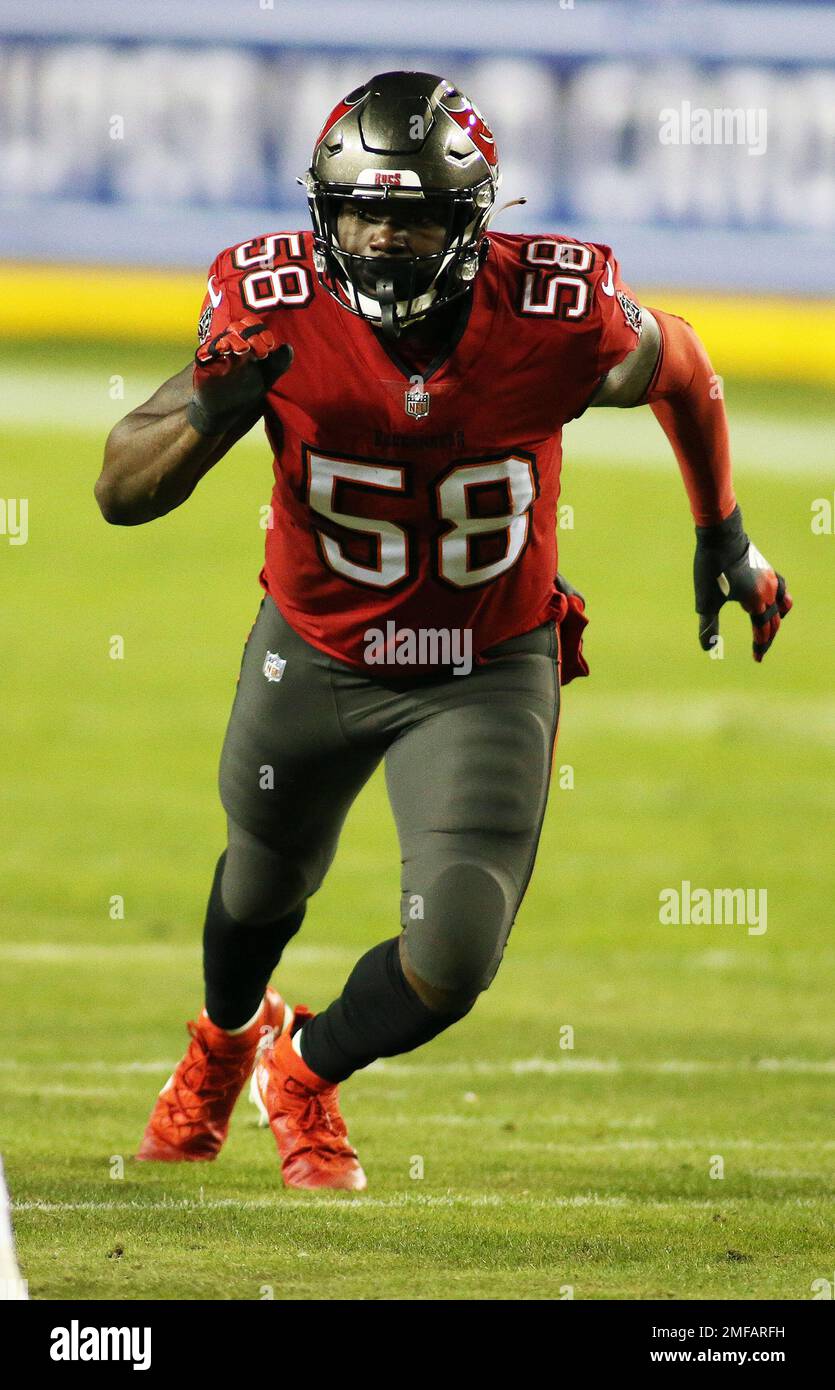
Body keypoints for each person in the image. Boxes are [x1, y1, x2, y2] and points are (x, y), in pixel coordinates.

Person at [95, 71, 791, 1190]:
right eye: (359, 210)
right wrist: (209, 414)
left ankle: (302, 1068)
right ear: (323, 212)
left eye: (409, 213)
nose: (377, 237)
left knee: (454, 955)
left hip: (482, 662)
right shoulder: (271, 303)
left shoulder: (556, 312)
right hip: (316, 647)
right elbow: (119, 491)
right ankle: (221, 1042)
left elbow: (686, 365)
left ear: (468, 223)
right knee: (262, 884)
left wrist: (725, 533)